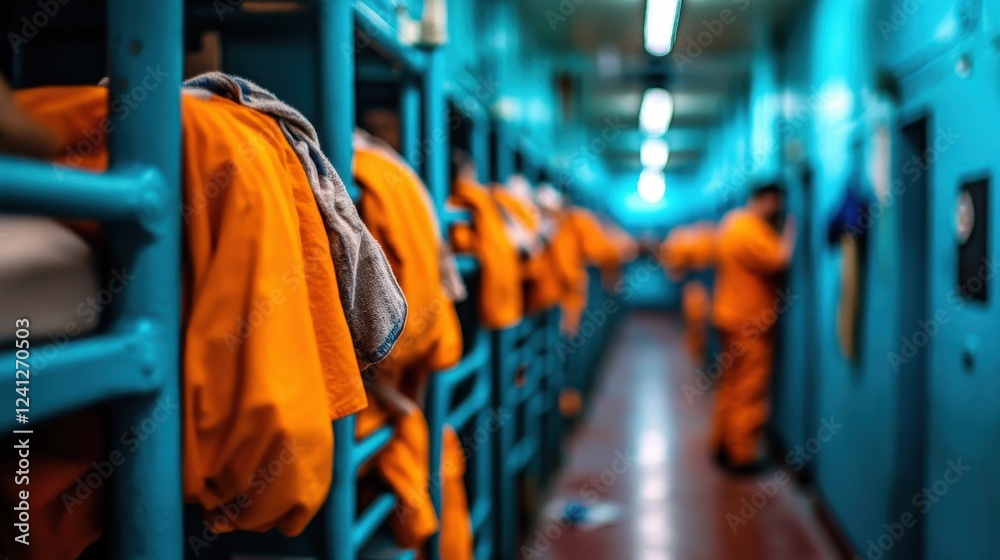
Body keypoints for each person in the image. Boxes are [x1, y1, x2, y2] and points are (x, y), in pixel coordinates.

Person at [710, 182, 797, 474]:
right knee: (749, 388)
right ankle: (741, 456)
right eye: (776, 203)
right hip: (749, 323)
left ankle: (722, 445)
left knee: (731, 384)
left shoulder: (730, 223)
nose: (777, 211)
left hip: (729, 316)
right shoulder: (748, 229)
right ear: (764, 199)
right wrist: (791, 231)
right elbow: (778, 259)